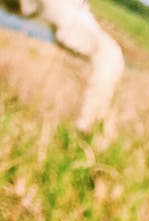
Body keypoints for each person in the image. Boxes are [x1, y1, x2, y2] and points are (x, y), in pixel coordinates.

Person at [11, 0, 124, 131]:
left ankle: (88, 126)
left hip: (72, 11)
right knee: (109, 55)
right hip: (69, 12)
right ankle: (85, 128)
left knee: (109, 55)